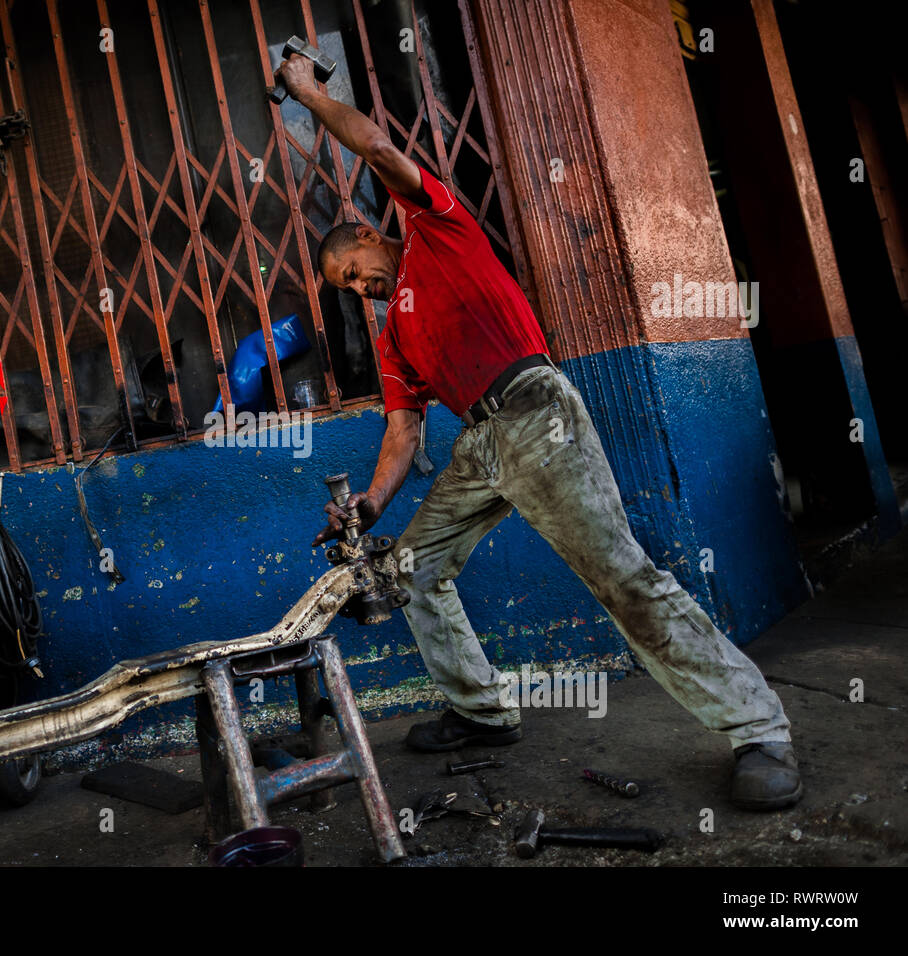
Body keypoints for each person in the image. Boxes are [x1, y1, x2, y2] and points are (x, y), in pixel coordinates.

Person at [276, 53, 802, 809]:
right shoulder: (395, 337)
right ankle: (481, 711)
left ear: (367, 233)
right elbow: (400, 433)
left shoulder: (435, 230)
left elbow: (381, 151)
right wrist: (367, 509)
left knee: (622, 577)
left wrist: (313, 97)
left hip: (535, 412)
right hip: (480, 445)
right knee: (411, 573)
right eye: (348, 291)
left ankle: (759, 730)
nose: (361, 288)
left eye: (354, 270)